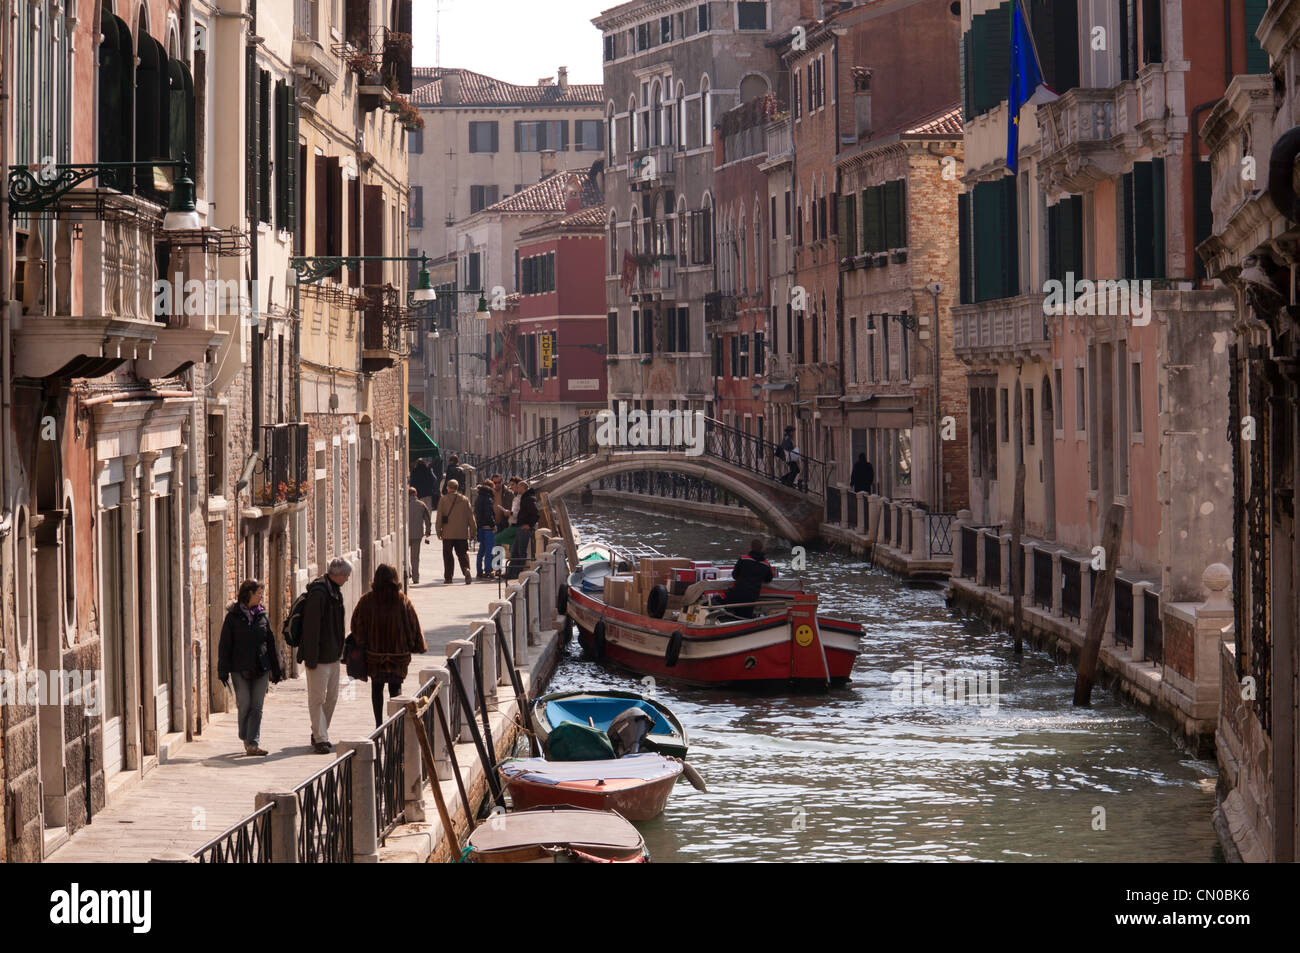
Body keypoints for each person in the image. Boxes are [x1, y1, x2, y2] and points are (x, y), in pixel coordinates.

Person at [350, 564, 427, 727]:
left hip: (374, 656)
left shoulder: (366, 601)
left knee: (376, 688)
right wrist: (414, 644)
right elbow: (413, 625)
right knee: (395, 688)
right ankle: (395, 724)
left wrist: (362, 641)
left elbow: (356, 625)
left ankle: (379, 724)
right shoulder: (402, 600)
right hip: (398, 656)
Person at [217, 579, 283, 757]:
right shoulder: (232, 617)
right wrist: (222, 670)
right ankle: (244, 735)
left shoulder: (262, 615)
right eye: (258, 593)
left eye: (262, 593)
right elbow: (225, 645)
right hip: (239, 669)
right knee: (245, 704)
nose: (261, 596)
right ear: (248, 594)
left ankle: (253, 743)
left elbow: (269, 642)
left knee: (257, 706)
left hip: (261, 668)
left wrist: (276, 669)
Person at [299, 558, 351, 753]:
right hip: (318, 657)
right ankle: (320, 738)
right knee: (317, 698)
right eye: (346, 576)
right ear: (337, 575)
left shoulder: (335, 592)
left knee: (333, 697)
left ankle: (319, 731)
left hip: (333, 656)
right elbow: (311, 628)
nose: (347, 579)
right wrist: (311, 658)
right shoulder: (319, 594)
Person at [719, 539, 775, 618]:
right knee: (745, 617)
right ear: (762, 549)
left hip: (737, 592)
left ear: (751, 548)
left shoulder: (743, 559)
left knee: (718, 602)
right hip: (752, 596)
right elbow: (768, 579)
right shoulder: (766, 564)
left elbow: (734, 575)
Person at [436, 478, 476, 584]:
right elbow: (471, 517)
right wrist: (473, 532)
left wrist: (438, 531)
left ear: (448, 487)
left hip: (447, 533)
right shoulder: (465, 499)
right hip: (462, 533)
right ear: (457, 488)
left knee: (448, 555)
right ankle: (466, 569)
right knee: (462, 554)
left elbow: (439, 516)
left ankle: (448, 577)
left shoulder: (443, 500)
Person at [507, 479, 540, 579]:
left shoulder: (529, 499)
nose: (517, 488)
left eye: (519, 487)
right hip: (519, 527)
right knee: (514, 550)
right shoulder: (524, 498)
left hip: (525, 529)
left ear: (523, 488)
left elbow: (535, 514)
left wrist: (529, 525)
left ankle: (518, 573)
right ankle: (512, 572)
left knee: (521, 551)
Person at [407, 487, 432, 584]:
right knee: (415, 557)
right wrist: (428, 531)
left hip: (406, 534)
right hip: (417, 534)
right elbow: (427, 519)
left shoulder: (403, 505)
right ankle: (415, 577)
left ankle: (407, 572)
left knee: (405, 554)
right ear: (416, 494)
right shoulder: (422, 505)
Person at [473, 482, 497, 579]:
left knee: (481, 550)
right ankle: (488, 570)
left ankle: (479, 571)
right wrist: (493, 525)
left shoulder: (478, 498)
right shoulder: (488, 499)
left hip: (480, 527)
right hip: (488, 528)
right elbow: (489, 514)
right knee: (489, 550)